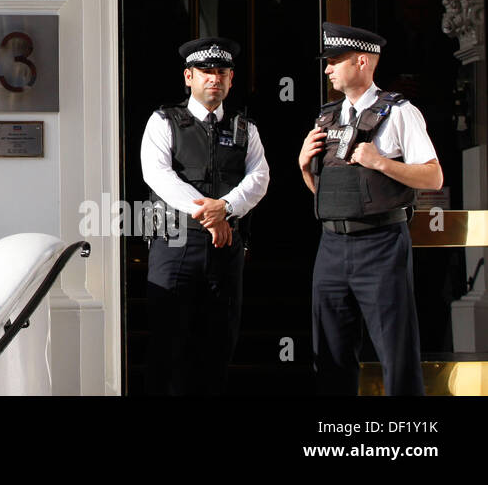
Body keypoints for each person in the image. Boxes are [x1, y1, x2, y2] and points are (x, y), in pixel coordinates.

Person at [296, 22, 442, 395]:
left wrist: (382, 163)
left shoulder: (399, 112)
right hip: (331, 247)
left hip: (380, 244)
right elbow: (327, 193)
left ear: (362, 61)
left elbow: (433, 177)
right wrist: (303, 168)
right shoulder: (327, 116)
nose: (327, 68)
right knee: (330, 354)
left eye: (334, 61)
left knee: (396, 351)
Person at [140, 36, 270, 394]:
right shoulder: (164, 121)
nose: (215, 78)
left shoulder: (246, 129)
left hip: (225, 249)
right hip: (176, 245)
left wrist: (225, 209)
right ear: (188, 77)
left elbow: (259, 178)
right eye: (206, 72)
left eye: (222, 72)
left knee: (217, 345)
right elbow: (158, 175)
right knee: (168, 346)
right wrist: (211, 215)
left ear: (231, 79)